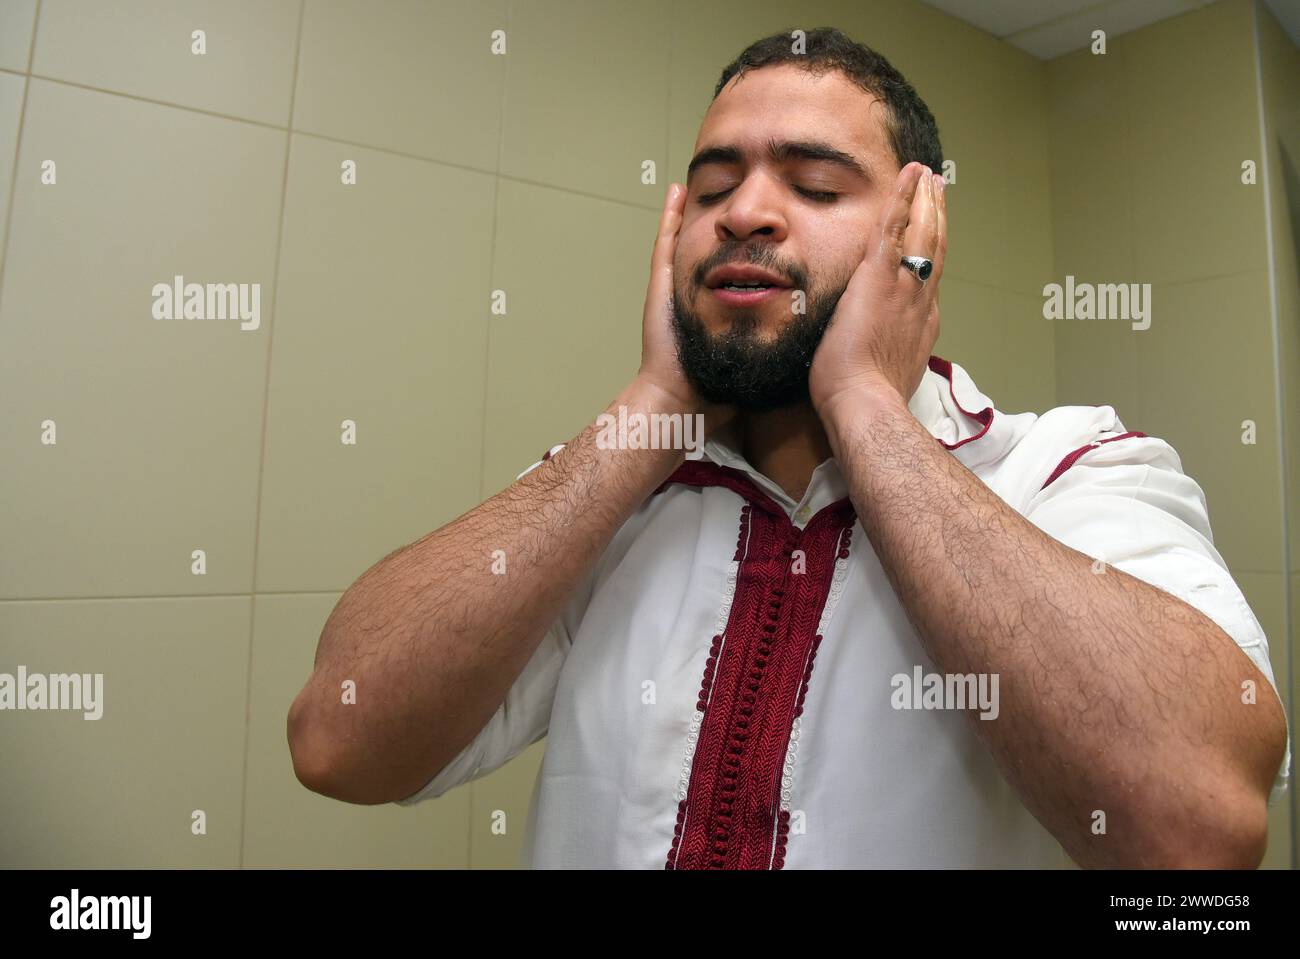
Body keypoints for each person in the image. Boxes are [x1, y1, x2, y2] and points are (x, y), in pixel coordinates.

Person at [287, 27, 1290, 869]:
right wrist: (655, 399)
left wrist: (863, 403)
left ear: (917, 232)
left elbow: (1196, 822)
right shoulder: (614, 493)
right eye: (714, 184)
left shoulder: (1062, 471)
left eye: (812, 184)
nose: (745, 213)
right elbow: (338, 740)